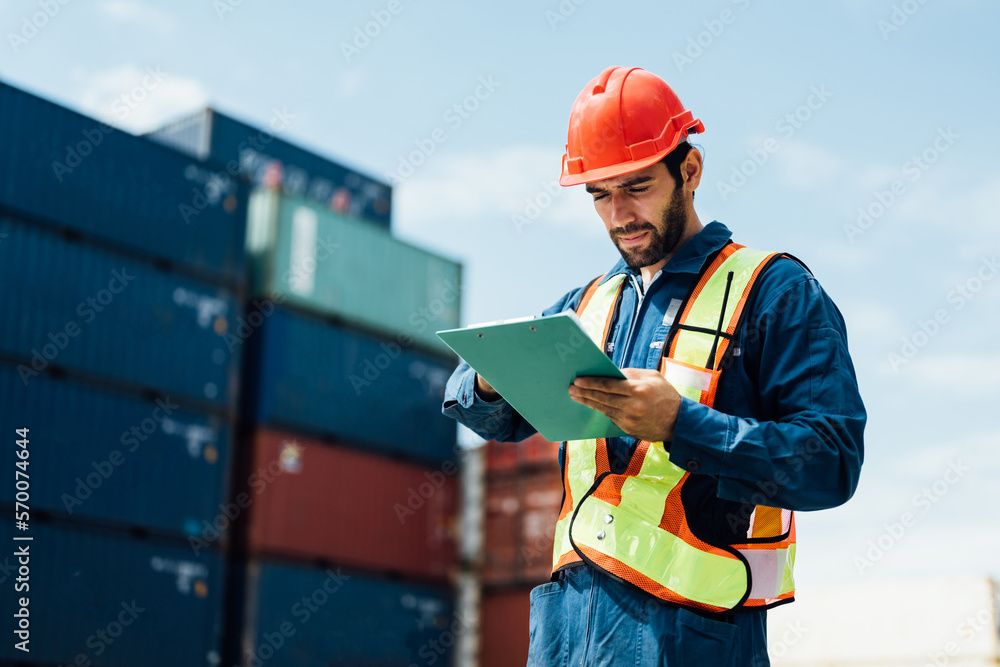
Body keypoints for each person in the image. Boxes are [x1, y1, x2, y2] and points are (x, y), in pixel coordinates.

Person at [442, 66, 865, 666]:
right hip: (567, 640)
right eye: (599, 195)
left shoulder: (775, 293)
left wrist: (680, 424)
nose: (619, 215)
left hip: (697, 642)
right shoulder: (584, 308)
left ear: (689, 172)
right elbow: (478, 413)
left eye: (637, 186)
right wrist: (489, 376)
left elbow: (832, 461)